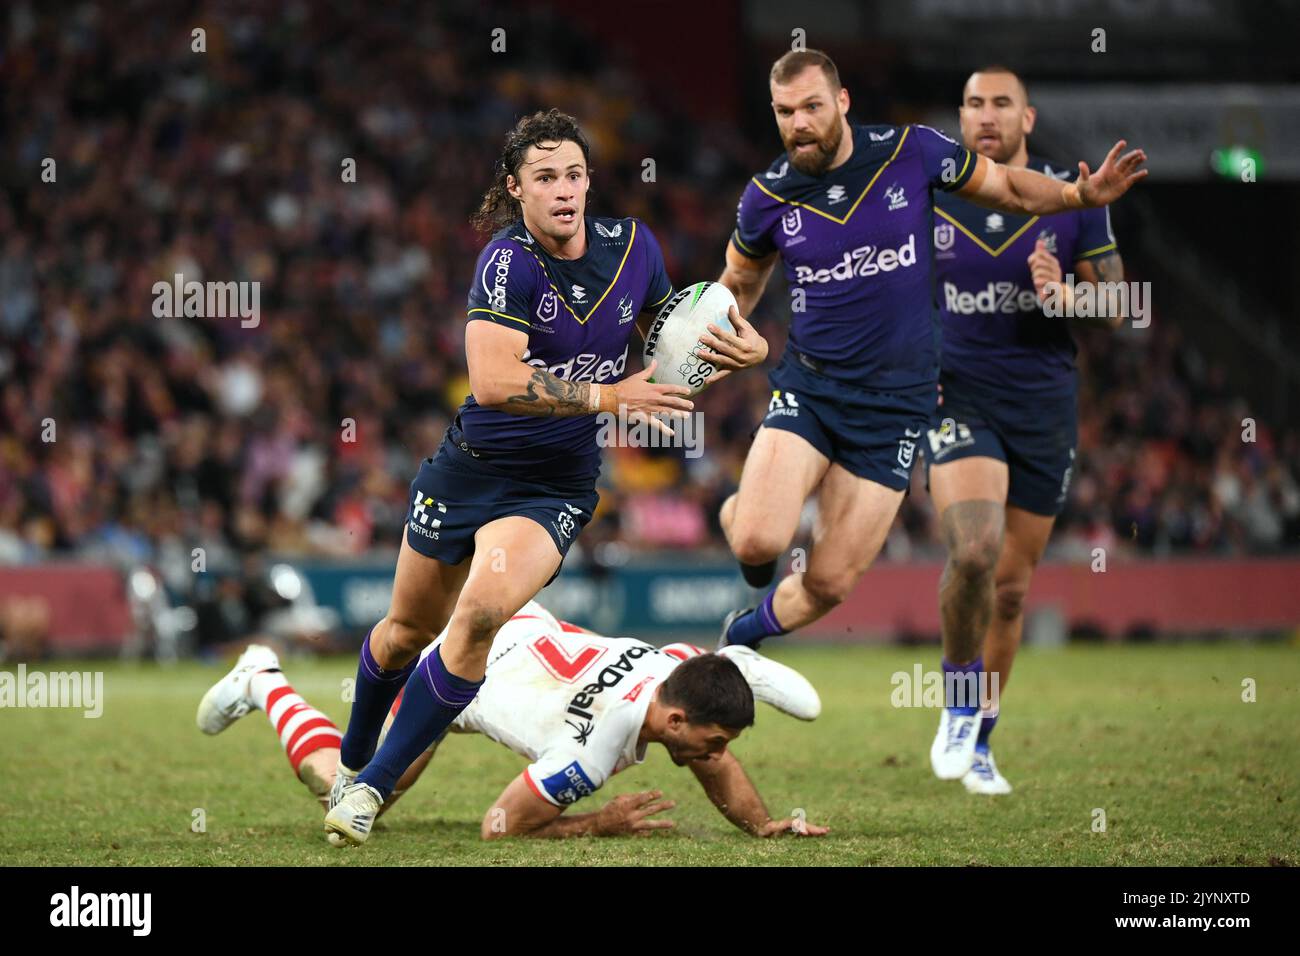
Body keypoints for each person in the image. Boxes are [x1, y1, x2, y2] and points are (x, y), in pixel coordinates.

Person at [326, 109, 768, 839]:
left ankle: (368, 791)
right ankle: (351, 759)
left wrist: (734, 352)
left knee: (480, 614)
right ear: (516, 189)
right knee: (405, 632)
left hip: (554, 485)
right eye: (544, 178)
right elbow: (494, 380)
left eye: (573, 175)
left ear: (589, 180)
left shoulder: (636, 250)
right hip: (470, 469)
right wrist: (608, 395)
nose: (563, 190)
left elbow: (672, 350)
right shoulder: (507, 263)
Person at [708, 49, 1144, 664]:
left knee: (829, 584)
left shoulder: (911, 151)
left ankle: (741, 636)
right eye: (784, 112)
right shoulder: (766, 196)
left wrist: (1077, 195)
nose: (798, 123)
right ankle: (743, 529)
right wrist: (720, 337)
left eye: (811, 106)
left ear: (842, 102)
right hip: (811, 389)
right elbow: (739, 281)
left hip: (896, 410)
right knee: (757, 537)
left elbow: (1011, 188)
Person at [197, 601, 827, 841]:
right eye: (713, 741)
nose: (717, 754)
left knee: (358, 795)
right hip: (460, 673)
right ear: (677, 719)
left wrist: (762, 824)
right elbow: (499, 826)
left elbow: (716, 759)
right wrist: (598, 823)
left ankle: (745, 661)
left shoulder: (680, 669)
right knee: (342, 792)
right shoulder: (592, 751)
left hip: (523, 625)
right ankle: (262, 679)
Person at [923, 66, 1131, 793]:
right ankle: (954, 701)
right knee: (975, 552)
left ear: (1028, 118)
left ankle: (981, 740)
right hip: (957, 399)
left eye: (1001, 104)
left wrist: (1066, 293)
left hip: (1042, 408)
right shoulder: (929, 197)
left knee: (1010, 592)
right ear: (960, 114)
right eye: (974, 103)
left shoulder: (1073, 199)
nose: (986, 116)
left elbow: (1121, 307)